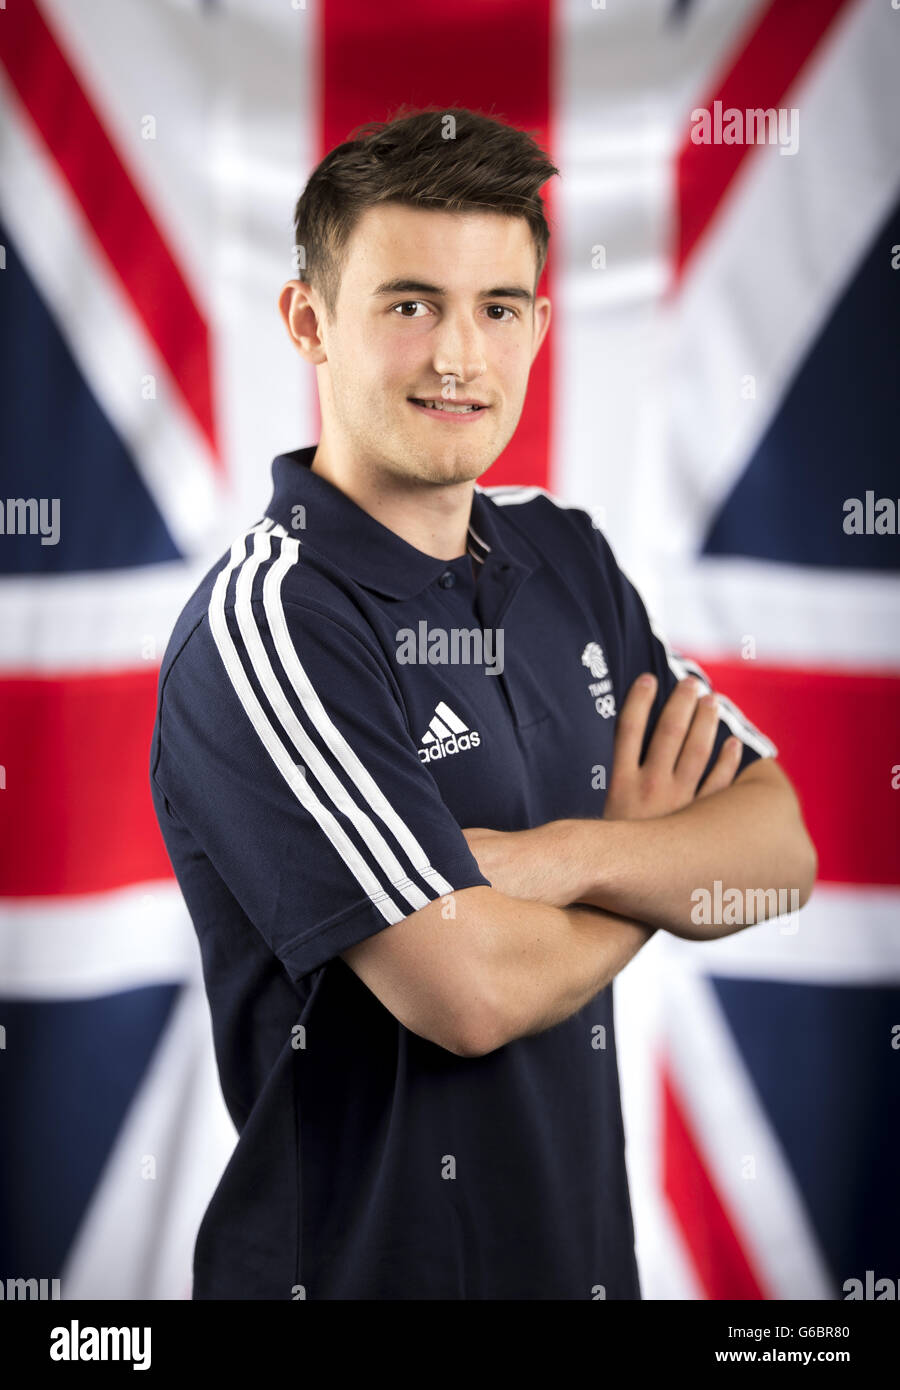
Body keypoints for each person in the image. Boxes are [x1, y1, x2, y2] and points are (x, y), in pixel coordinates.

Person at [149, 107, 817, 1301]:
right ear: (309, 321)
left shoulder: (566, 560)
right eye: (409, 304)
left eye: (496, 308)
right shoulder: (274, 624)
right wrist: (653, 871)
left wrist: (563, 856)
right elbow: (471, 993)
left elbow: (780, 852)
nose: (459, 356)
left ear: (539, 325)